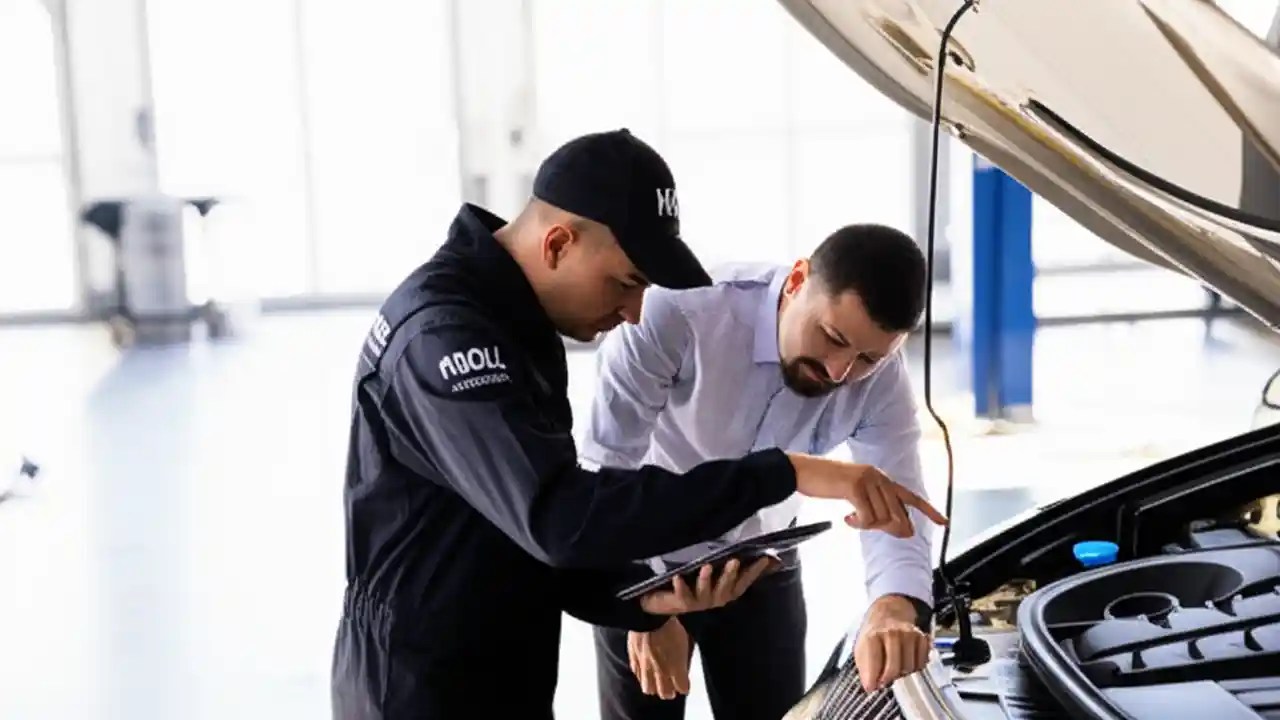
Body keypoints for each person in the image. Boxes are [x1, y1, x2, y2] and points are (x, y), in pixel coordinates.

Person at [329, 128, 946, 719]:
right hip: (422, 671)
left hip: (504, 641)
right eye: (626, 284)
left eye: (866, 358)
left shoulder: (516, 322)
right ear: (557, 244)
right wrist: (785, 474)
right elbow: (561, 514)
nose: (633, 312)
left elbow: (529, 529)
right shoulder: (449, 338)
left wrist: (640, 600)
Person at [583, 223, 941, 720]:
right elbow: (604, 468)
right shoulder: (676, 310)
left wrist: (893, 606)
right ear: (796, 281)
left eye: (867, 359)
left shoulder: (881, 379)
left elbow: (895, 504)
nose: (840, 372)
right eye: (833, 338)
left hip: (762, 560)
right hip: (646, 560)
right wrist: (640, 614)